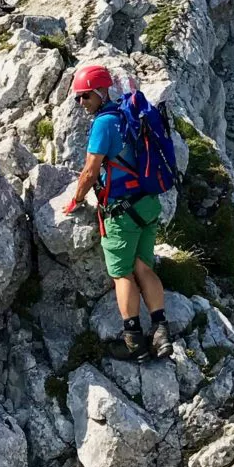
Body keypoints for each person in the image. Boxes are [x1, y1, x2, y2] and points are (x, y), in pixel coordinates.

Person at [62, 64, 172, 359]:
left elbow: (90, 170)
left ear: (99, 93)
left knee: (122, 274)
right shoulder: (129, 113)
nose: (81, 103)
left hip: (123, 212)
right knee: (143, 267)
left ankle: (134, 343)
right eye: (78, 98)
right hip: (147, 203)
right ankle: (161, 332)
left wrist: (76, 199)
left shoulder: (103, 124)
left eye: (84, 96)